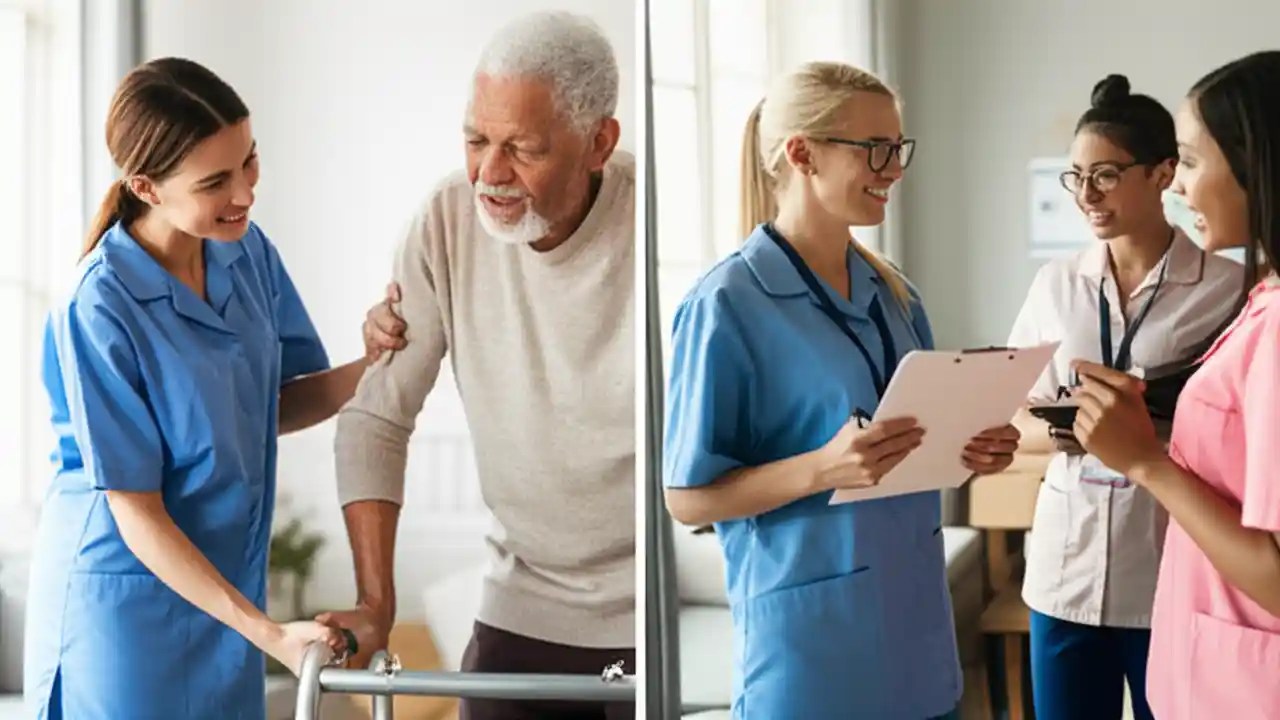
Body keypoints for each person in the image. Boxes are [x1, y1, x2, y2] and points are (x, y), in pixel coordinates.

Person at [22, 58, 405, 720]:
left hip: (224, 594)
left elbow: (264, 408)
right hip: (127, 606)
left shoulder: (245, 252)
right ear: (145, 186)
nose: (246, 194)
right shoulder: (100, 306)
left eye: (249, 162)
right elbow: (135, 510)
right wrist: (268, 632)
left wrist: (376, 364)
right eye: (216, 181)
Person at [662, 60, 1021, 720]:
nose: (894, 169)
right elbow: (686, 500)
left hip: (918, 642)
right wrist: (820, 469)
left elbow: (912, 448)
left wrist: (971, 449)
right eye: (876, 149)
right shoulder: (726, 304)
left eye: (899, 149)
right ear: (802, 153)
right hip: (811, 656)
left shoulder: (895, 293)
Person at [323, 12, 635, 720]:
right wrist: (377, 602)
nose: (490, 175)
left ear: (598, 143)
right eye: (475, 140)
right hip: (522, 604)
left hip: (651, 607)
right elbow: (376, 416)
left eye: (522, 149)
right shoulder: (445, 221)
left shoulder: (652, 222)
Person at [1006, 74, 1243, 720]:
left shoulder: (1228, 287)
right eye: (1075, 176)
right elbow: (1017, 410)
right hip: (1063, 570)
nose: (1086, 194)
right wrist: (1071, 428)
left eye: (1106, 175)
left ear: (1164, 174)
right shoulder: (1056, 285)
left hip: (1167, 563)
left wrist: (1136, 428)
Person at [1072, 51, 1280, 720]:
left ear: (1256, 162)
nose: (1177, 187)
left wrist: (1143, 462)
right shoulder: (1262, 298)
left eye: (1188, 162)